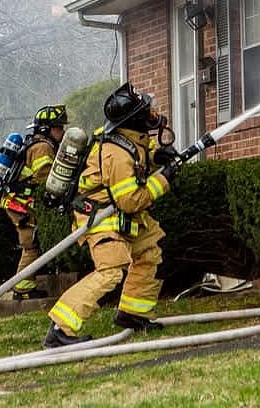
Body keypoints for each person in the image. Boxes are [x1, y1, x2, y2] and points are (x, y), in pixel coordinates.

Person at [44, 82, 179, 348]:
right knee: (110, 272)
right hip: (99, 218)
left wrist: (156, 157)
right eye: (146, 111)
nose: (152, 114)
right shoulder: (116, 152)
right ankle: (60, 329)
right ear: (134, 119)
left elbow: (138, 158)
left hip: (117, 214)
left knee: (150, 250)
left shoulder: (129, 139)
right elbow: (130, 200)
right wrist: (163, 180)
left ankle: (132, 313)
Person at [2, 104, 67, 301]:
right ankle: (22, 289)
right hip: (20, 203)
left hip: (19, 202)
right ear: (47, 129)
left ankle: (26, 284)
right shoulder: (42, 147)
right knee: (31, 244)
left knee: (34, 243)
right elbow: (45, 177)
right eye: (58, 127)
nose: (62, 131)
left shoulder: (37, 143)